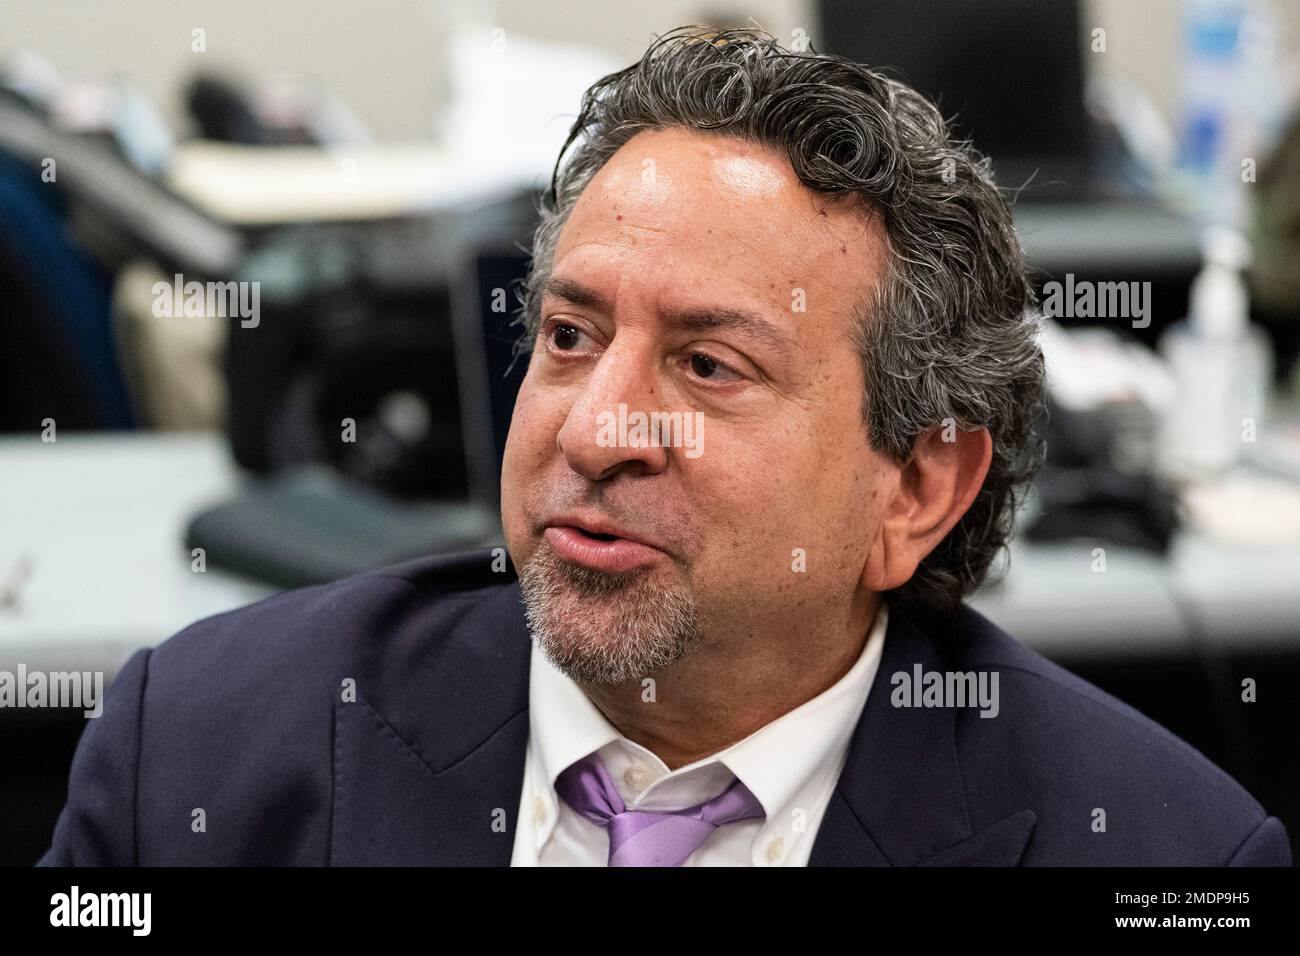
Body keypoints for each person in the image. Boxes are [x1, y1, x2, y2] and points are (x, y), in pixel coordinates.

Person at [39, 26, 1289, 867]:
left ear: (913, 487)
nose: (592, 427)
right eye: (571, 334)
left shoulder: (1161, 856)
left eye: (708, 364)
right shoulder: (195, 753)